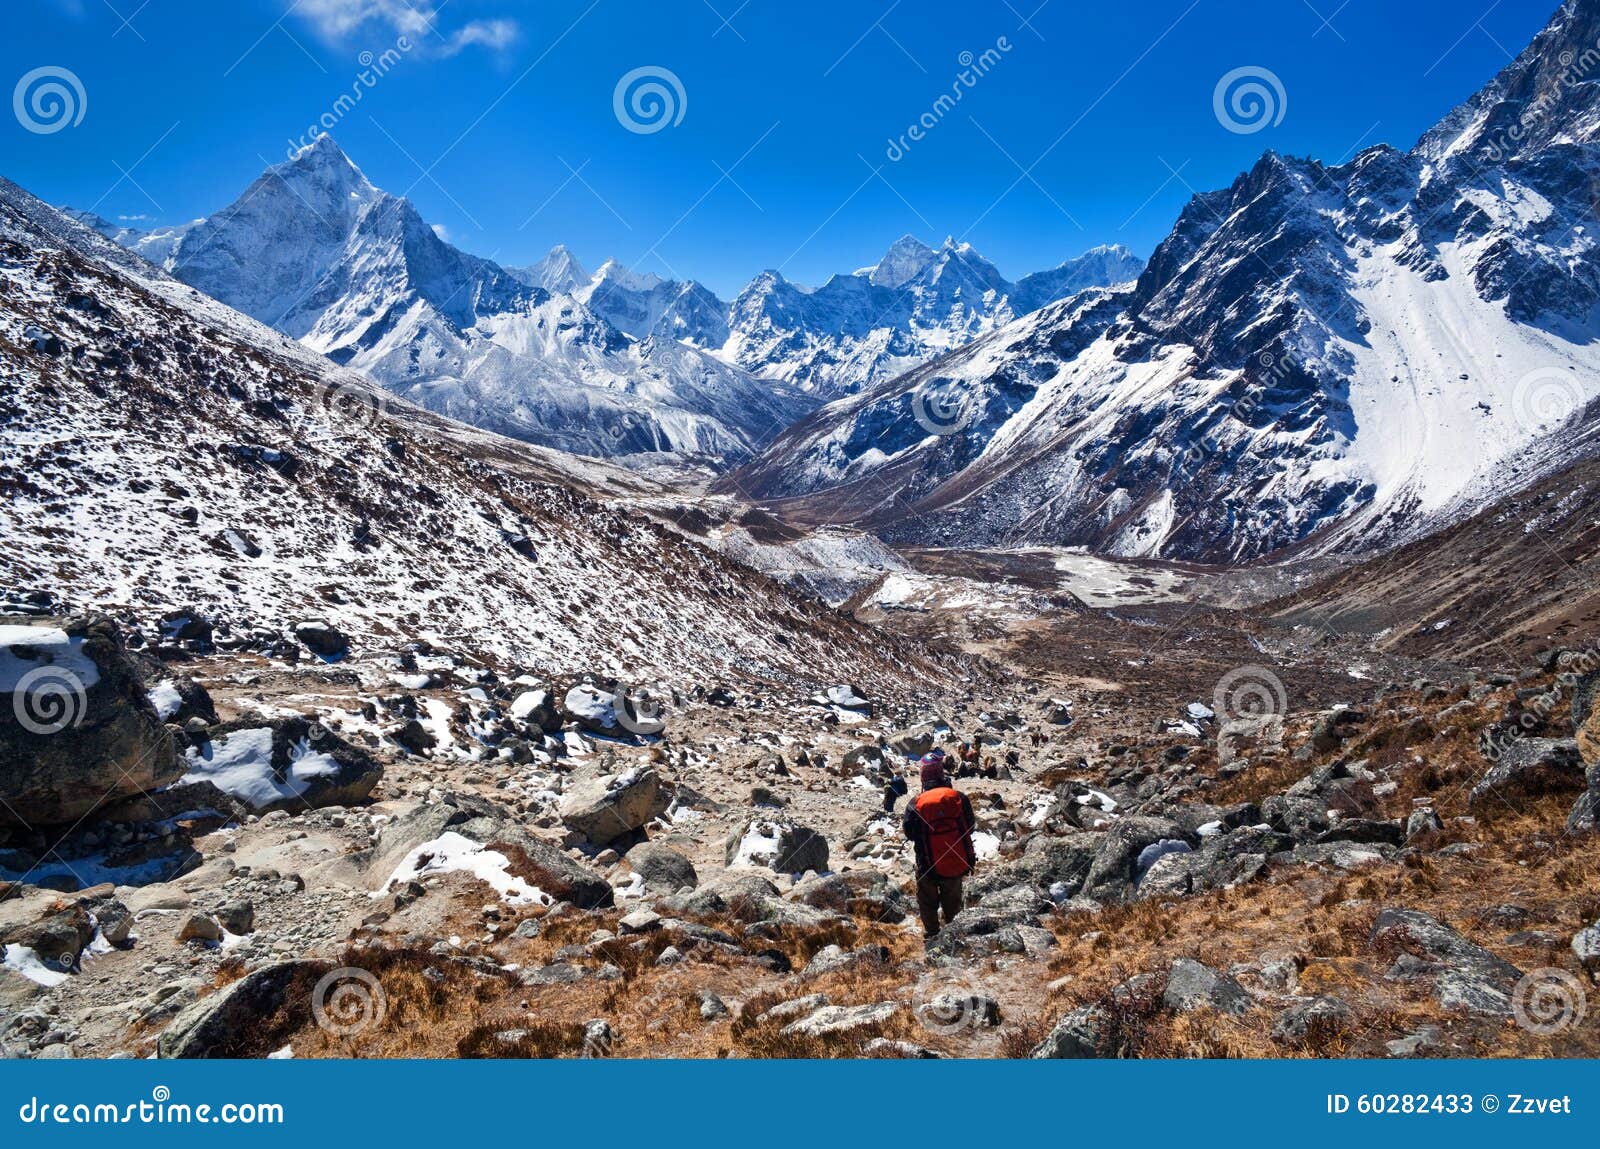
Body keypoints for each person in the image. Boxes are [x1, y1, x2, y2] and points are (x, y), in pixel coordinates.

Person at [902, 749, 977, 939]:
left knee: (927, 901)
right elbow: (970, 825)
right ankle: (953, 935)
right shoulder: (958, 796)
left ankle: (932, 934)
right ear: (940, 773)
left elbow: (909, 833)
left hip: (926, 863)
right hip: (955, 860)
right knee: (953, 899)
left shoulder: (915, 803)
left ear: (923, 777)